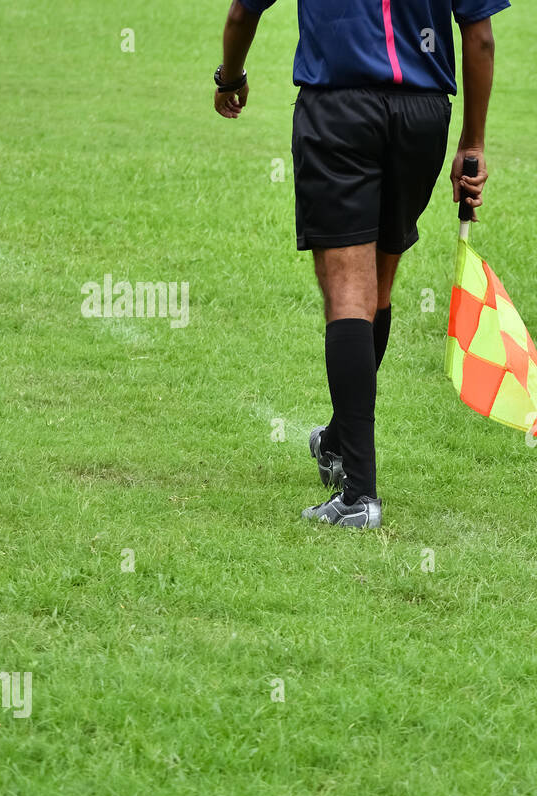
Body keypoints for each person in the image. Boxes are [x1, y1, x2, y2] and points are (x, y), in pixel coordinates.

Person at [213, 0, 507, 527]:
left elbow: (242, 13)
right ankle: (337, 440)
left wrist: (230, 75)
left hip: (339, 110)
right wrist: (474, 141)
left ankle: (358, 495)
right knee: (377, 288)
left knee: (348, 290)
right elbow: (479, 37)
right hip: (423, 115)